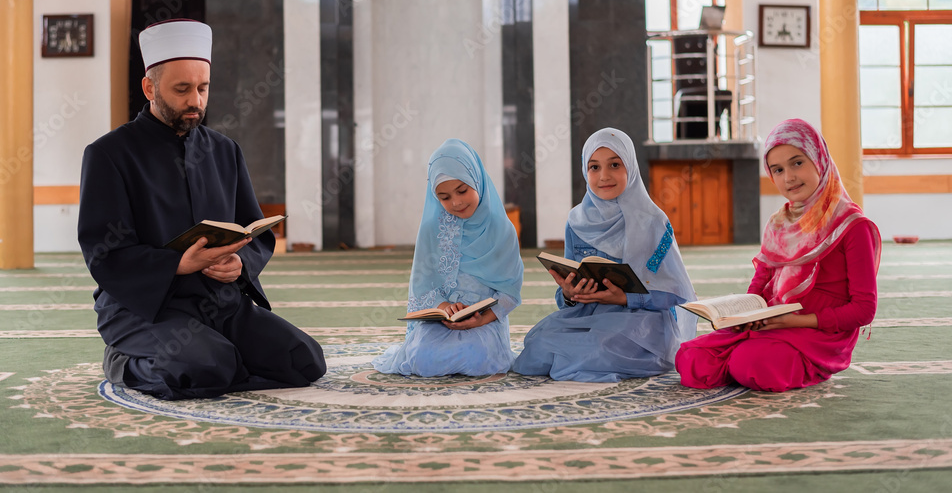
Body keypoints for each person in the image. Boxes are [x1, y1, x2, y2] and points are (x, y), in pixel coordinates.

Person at [77, 19, 326, 400]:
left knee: (304, 361)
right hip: (147, 308)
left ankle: (219, 361)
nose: (196, 100)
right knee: (207, 366)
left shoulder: (225, 150)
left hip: (221, 302)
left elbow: (255, 232)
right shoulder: (109, 155)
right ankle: (122, 360)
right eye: (182, 89)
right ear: (150, 87)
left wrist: (240, 264)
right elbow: (104, 252)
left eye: (202, 88)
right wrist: (178, 263)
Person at [676, 118, 881, 393]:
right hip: (772, 321)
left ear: (819, 159)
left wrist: (798, 321)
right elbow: (760, 283)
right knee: (691, 359)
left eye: (798, 163)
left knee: (750, 364)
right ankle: (753, 351)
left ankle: (803, 364)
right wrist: (744, 314)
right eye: (778, 169)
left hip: (818, 332)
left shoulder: (852, 226)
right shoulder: (778, 223)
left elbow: (864, 309)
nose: (789, 177)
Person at [512, 128, 697, 382]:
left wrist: (625, 298)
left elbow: (675, 293)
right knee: (538, 343)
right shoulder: (576, 221)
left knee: (601, 347)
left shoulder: (652, 221)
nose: (604, 176)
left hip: (640, 321)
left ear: (630, 168)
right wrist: (568, 292)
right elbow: (568, 286)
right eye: (594, 167)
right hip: (589, 313)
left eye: (614, 164)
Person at [372, 139, 524, 377]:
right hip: (441, 321)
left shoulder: (501, 229)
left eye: (462, 190)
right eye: (444, 197)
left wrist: (479, 319)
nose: (456, 202)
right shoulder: (433, 227)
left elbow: (510, 293)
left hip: (485, 321)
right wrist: (444, 307)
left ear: (477, 180)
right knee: (423, 356)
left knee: (478, 357)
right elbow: (423, 286)